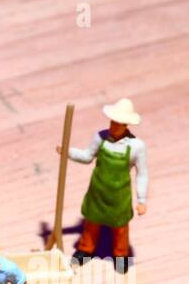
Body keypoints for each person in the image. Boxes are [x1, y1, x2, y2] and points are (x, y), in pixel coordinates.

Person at [59, 97, 148, 272]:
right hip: (97, 191)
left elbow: (142, 174)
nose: (114, 126)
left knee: (120, 228)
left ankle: (121, 255)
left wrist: (142, 199)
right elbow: (86, 156)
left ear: (126, 125)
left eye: (119, 123)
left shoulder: (136, 146)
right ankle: (85, 250)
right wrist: (67, 152)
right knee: (91, 222)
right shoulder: (101, 138)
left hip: (119, 196)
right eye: (113, 121)